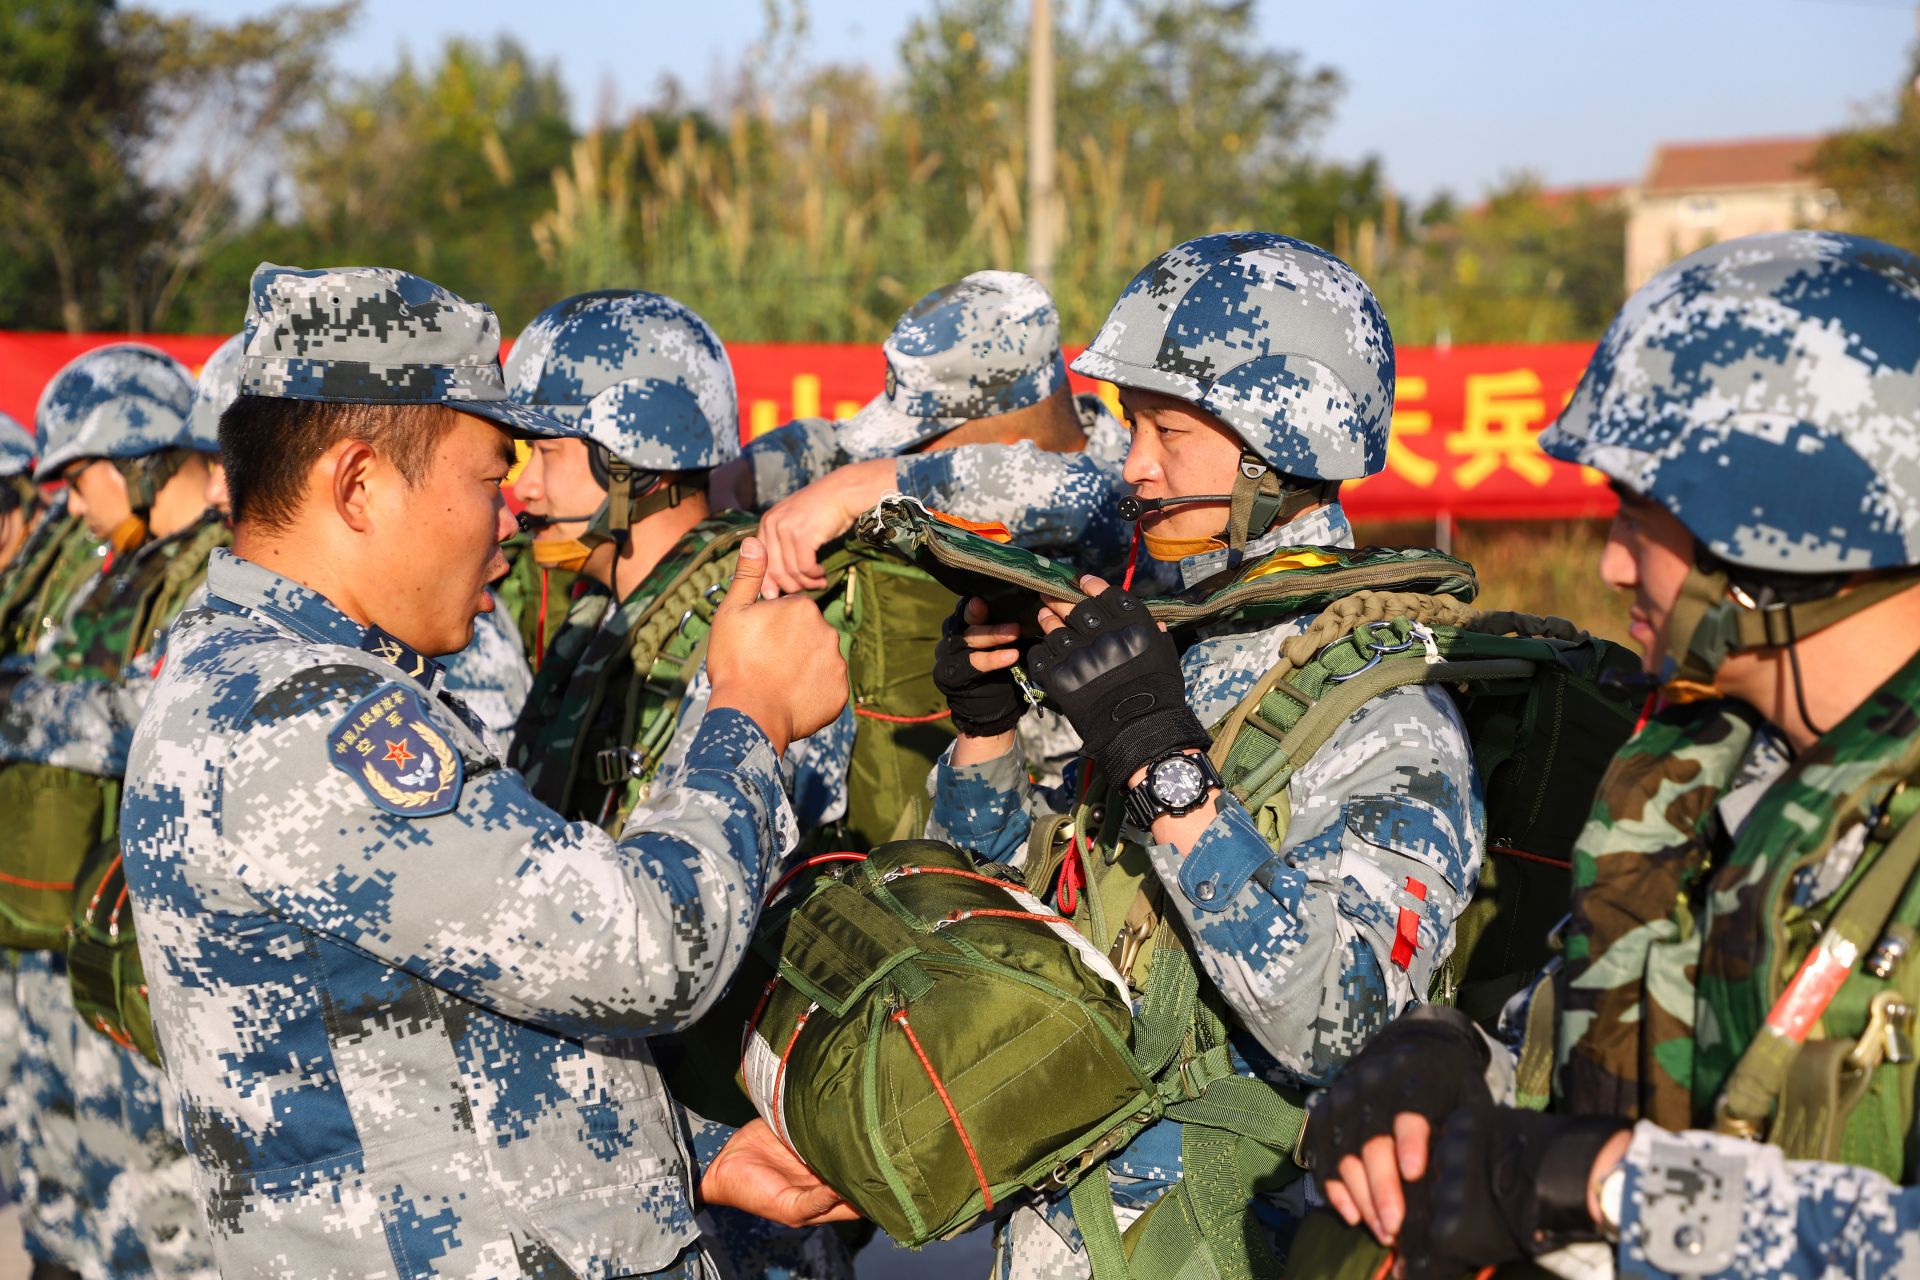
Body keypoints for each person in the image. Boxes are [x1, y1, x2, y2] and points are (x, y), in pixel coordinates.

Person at [738, 232, 1482, 1278]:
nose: (1134, 465)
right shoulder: (1166, 634)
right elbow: (998, 929)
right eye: (1134, 425)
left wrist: (1165, 768)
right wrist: (988, 732)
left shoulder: (1380, 711)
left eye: (1168, 431)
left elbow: (1344, 1023)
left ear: (1282, 444)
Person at [117, 263, 851, 1279]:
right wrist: (750, 713)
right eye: (487, 476)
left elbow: (429, 1049)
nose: (509, 515)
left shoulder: (257, 676)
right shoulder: (306, 718)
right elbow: (643, 948)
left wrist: (692, 1145)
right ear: (360, 483)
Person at [1304, 230, 1920, 1279]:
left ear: (1786, 525)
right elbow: (1607, 1073)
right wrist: (1459, 1068)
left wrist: (1611, 1183)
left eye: (1646, 518)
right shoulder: (1707, 771)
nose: (1611, 561)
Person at [504, 287, 856, 1279]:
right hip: (614, 1151)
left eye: (548, 454)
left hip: (726, 1165)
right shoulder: (593, 622)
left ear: (629, 465)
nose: (521, 486)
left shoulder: (750, 616)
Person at [0, 343, 221, 1280]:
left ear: (138, 462)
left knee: (159, 1211)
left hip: (154, 937)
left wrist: (15, 701)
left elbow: (148, 713)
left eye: (80, 476)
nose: (69, 500)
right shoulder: (122, 568)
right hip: (82, 918)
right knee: (82, 1194)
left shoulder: (212, 572)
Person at [713, 269, 1143, 597]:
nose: (903, 454)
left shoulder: (1129, 489)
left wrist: (853, 491)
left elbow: (1063, 490)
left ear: (1005, 434)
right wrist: (741, 475)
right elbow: (837, 444)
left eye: (919, 444)